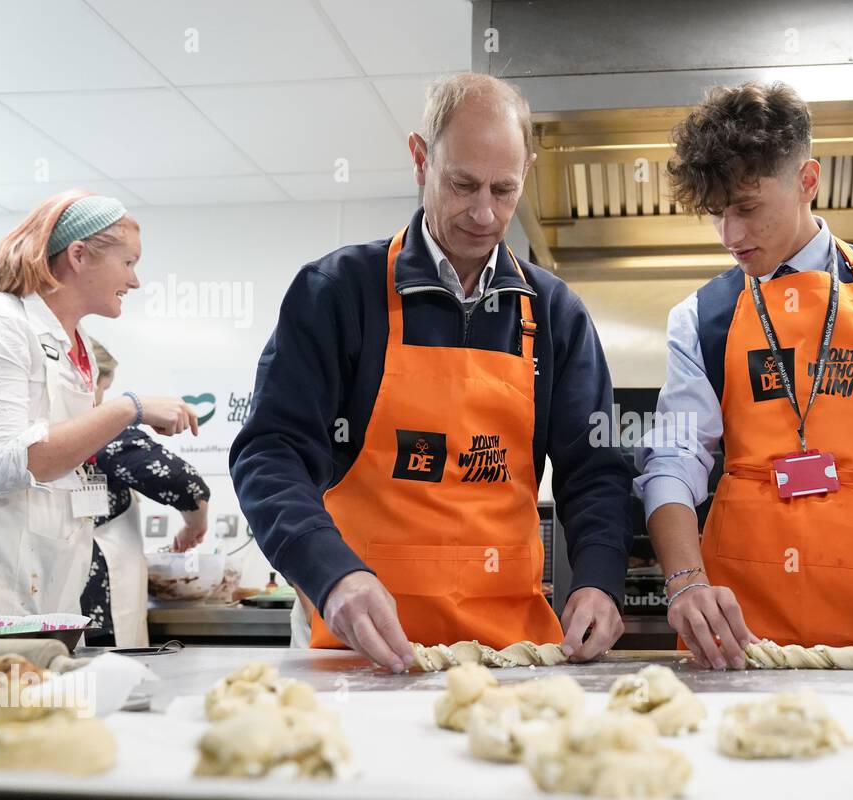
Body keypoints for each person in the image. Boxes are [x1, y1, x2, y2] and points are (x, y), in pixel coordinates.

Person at [230, 73, 631, 672]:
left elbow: (595, 469)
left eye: (504, 189)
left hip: (508, 654)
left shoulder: (553, 313)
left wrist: (599, 577)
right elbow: (270, 452)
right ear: (420, 159)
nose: (483, 212)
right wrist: (331, 575)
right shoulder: (339, 293)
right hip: (358, 645)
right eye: (462, 183)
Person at [636, 82, 853, 670]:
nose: (731, 237)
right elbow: (673, 460)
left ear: (807, 180)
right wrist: (685, 581)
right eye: (717, 213)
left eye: (747, 208)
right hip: (734, 632)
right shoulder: (700, 317)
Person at [0, 191, 197, 618]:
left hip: (56, 577)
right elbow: (4, 462)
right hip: (4, 577)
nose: (136, 281)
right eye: (128, 263)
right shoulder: (5, 324)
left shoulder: (79, 342)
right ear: (79, 255)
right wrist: (128, 408)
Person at [82, 340, 211, 647]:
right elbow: (185, 484)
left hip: (59, 604)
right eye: (102, 389)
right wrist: (195, 525)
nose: (100, 401)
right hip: (98, 604)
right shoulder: (98, 432)